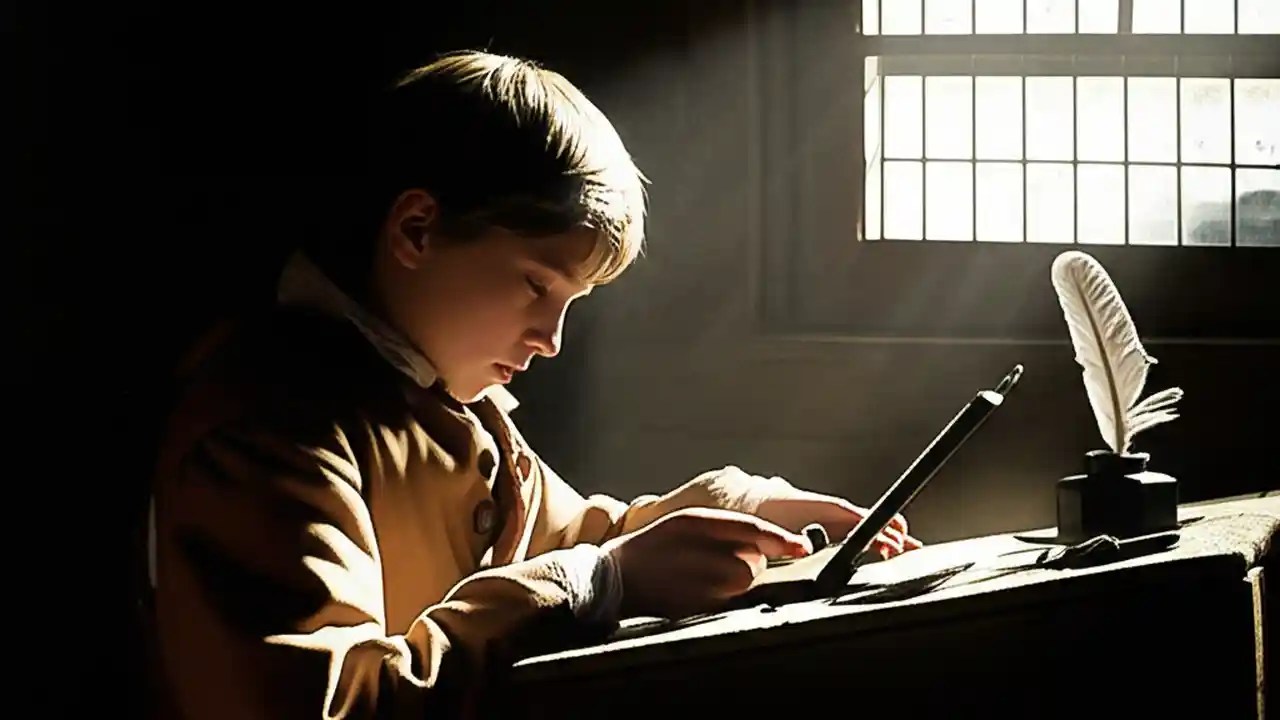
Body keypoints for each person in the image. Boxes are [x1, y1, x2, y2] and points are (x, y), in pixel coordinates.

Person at [145, 49, 921, 720]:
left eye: (569, 304)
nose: (551, 340)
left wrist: (738, 509)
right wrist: (603, 581)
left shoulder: (440, 398)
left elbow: (571, 538)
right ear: (417, 230)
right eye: (534, 286)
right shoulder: (268, 425)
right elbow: (326, 703)